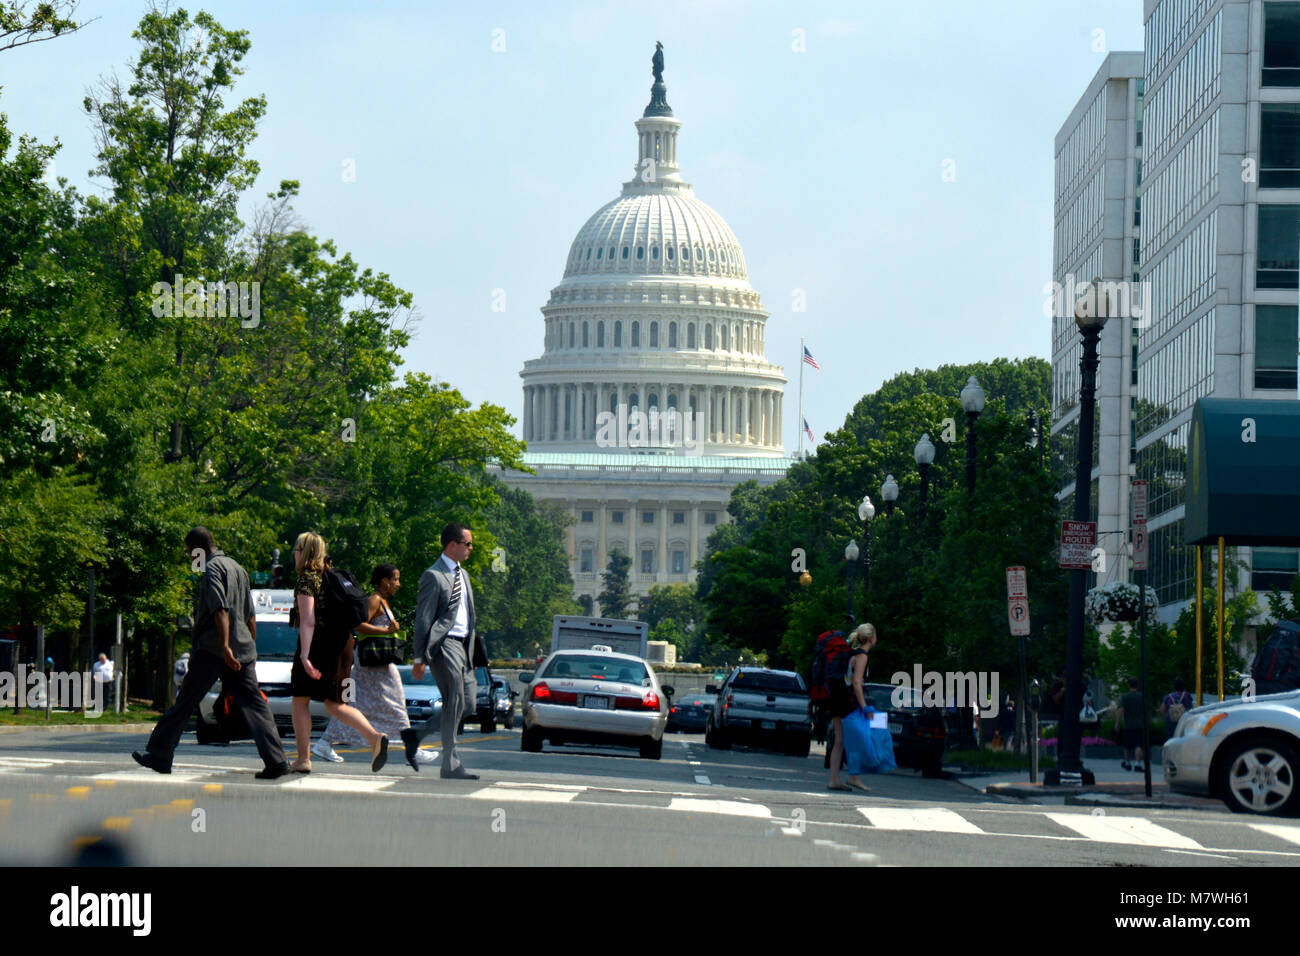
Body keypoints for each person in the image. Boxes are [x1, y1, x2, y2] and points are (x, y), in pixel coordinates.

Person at [133, 527, 290, 778]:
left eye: (189, 554)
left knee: (186, 701)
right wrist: (250, 648)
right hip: (242, 650)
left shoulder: (212, 569)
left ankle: (161, 754)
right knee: (255, 705)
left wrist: (226, 646)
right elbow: (250, 616)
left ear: (198, 549)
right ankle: (276, 761)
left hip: (214, 649)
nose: (190, 559)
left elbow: (220, 609)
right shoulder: (238, 569)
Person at [312, 564, 439, 767]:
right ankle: (412, 750)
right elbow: (358, 624)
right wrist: (386, 631)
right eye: (395, 579)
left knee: (352, 704)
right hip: (373, 664)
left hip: (376, 664)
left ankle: (325, 743)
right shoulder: (374, 600)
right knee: (394, 704)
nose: (398, 584)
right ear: (384, 581)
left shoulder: (383, 601)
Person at [288, 532, 388, 774]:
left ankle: (303, 759)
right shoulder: (334, 575)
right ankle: (375, 738)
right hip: (344, 646)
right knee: (336, 703)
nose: (294, 553)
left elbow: (308, 621)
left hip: (319, 645)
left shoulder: (307, 580)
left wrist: (304, 655)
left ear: (304, 552)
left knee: (300, 699)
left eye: (296, 549)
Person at [400, 522, 487, 778]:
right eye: (467, 544)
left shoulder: (464, 575)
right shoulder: (433, 576)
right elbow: (424, 619)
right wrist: (419, 657)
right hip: (445, 643)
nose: (471, 548)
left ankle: (415, 734)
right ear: (452, 545)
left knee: (467, 704)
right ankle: (451, 765)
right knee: (455, 700)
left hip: (465, 646)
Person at [835, 623, 877, 792]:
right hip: (850, 702)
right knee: (857, 739)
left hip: (838, 697)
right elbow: (857, 682)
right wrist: (864, 706)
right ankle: (854, 777)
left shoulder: (851, 653)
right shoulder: (862, 656)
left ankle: (834, 779)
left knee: (840, 741)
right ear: (871, 638)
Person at [1115, 677, 1145, 771]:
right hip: (1140, 725)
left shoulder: (1124, 697)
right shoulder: (1142, 696)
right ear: (1137, 685)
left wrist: (1117, 723)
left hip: (1128, 725)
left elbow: (1120, 710)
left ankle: (1127, 763)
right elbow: (1147, 711)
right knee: (1139, 745)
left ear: (1129, 685)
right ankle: (1137, 763)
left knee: (1127, 745)